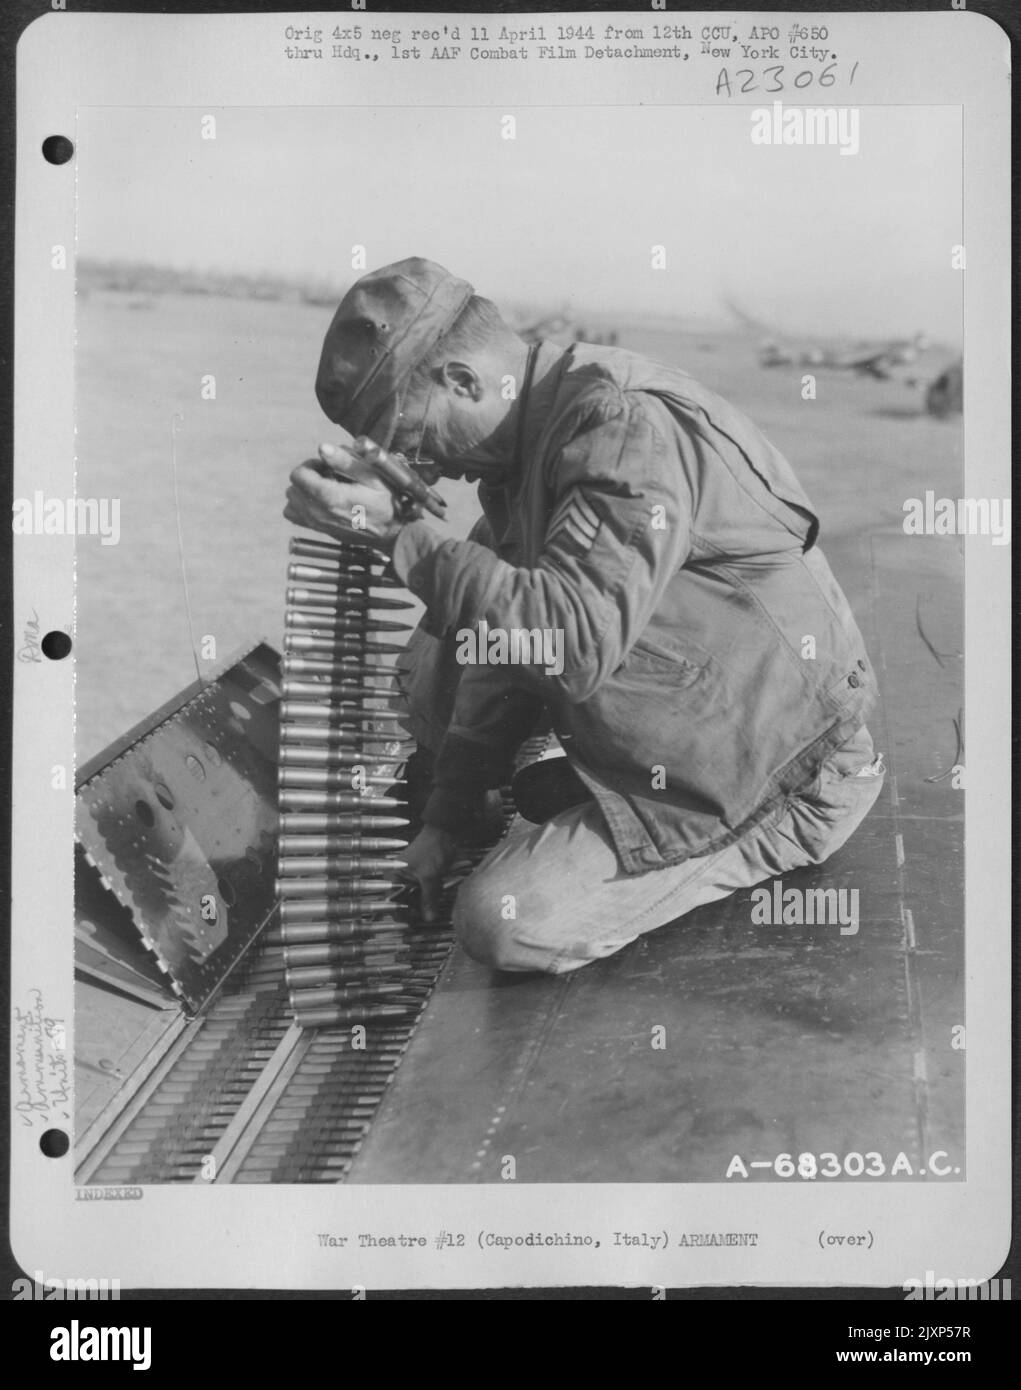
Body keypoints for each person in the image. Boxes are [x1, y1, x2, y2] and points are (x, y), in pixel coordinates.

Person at [284, 257, 885, 975]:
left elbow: (568, 644)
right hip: (694, 728)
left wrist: (395, 536)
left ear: (462, 381)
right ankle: (536, 801)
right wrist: (443, 822)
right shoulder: (530, 440)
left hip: (781, 768)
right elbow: (498, 655)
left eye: (411, 440)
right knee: (445, 634)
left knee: (504, 922)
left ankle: (750, 833)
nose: (428, 471)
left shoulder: (620, 425)